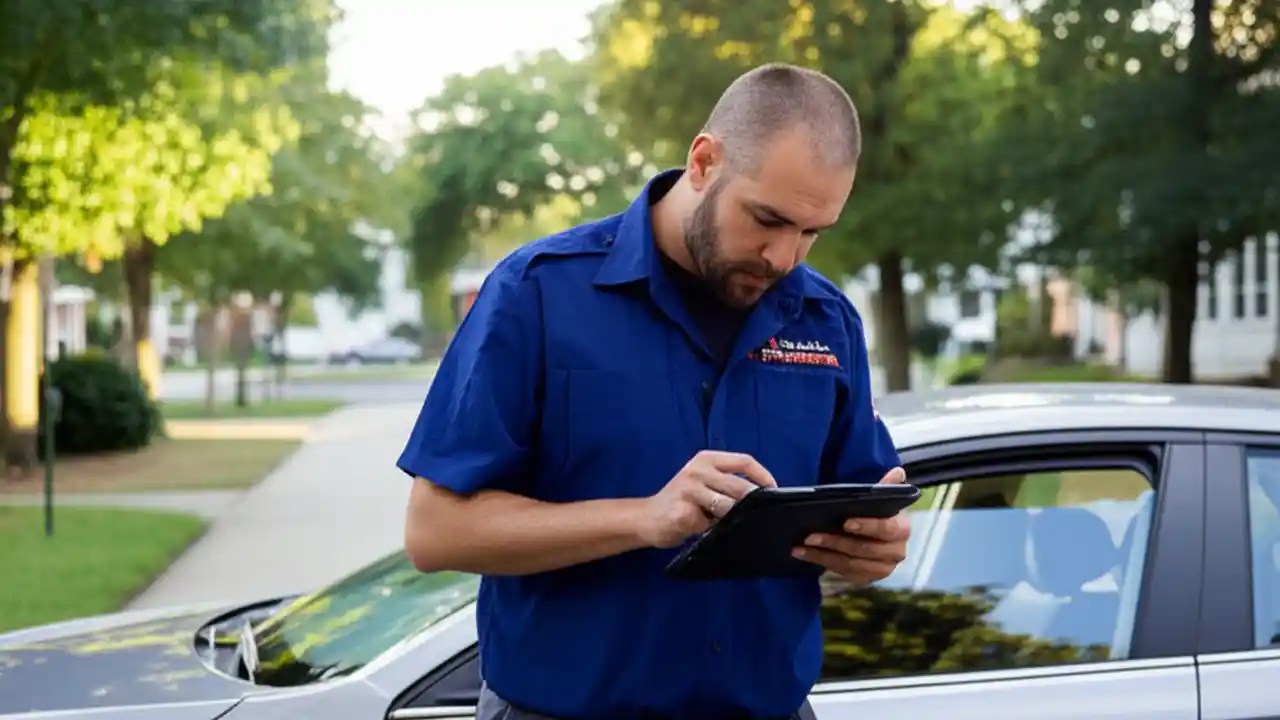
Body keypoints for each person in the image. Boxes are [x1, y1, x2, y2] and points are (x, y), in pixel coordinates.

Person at [399, 62, 910, 720]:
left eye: (811, 233)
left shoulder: (827, 320)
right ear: (703, 161)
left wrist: (875, 549)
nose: (783, 257)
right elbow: (435, 533)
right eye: (767, 219)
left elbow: (856, 520)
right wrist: (643, 519)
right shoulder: (537, 293)